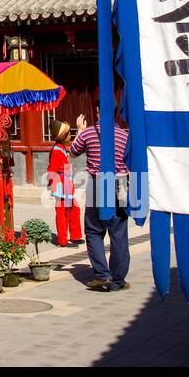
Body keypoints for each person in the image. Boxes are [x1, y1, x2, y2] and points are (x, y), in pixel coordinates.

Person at [69, 112, 131, 293]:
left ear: (98, 111)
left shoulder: (88, 133)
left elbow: (72, 152)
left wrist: (79, 131)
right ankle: (118, 279)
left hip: (97, 184)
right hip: (120, 185)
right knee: (118, 232)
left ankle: (103, 275)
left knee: (94, 231)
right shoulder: (125, 135)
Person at [46, 121, 83, 248]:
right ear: (62, 136)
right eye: (68, 134)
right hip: (61, 184)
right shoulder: (57, 150)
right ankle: (62, 240)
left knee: (73, 209)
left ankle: (75, 236)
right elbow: (52, 169)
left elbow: (74, 148)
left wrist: (79, 132)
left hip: (66, 182)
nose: (69, 136)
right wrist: (55, 186)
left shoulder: (61, 147)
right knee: (62, 212)